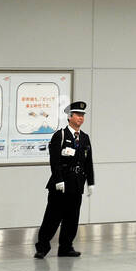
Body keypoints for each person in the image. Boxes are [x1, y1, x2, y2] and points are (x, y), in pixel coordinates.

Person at [34, 101, 95, 259]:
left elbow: (88, 162)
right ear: (70, 117)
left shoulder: (85, 138)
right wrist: (58, 179)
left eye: (82, 115)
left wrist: (91, 182)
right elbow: (54, 161)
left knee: (72, 218)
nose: (81, 118)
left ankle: (66, 247)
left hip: (76, 184)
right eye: (77, 115)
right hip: (60, 185)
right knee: (52, 217)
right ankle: (42, 246)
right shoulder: (60, 135)